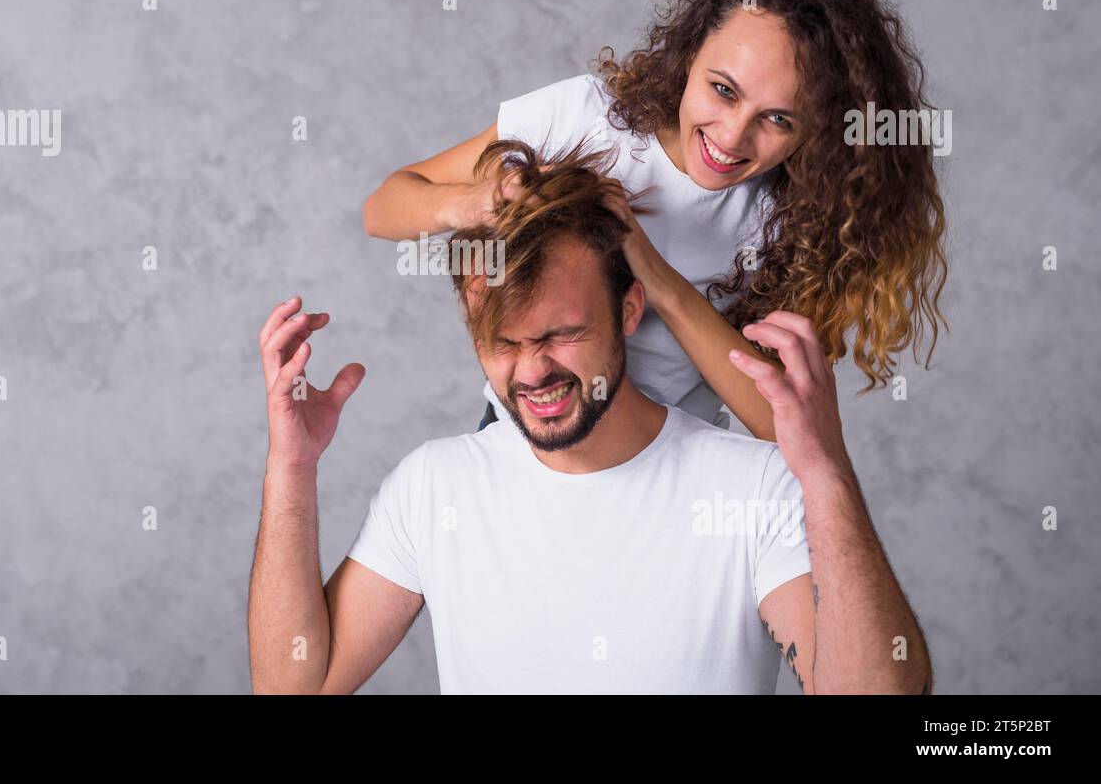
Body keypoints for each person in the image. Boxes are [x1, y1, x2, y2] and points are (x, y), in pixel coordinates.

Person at [248, 142, 932, 694]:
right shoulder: (435, 488)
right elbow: (291, 688)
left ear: (629, 309)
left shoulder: (753, 488)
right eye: (503, 342)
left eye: (560, 334)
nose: (533, 370)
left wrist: (827, 475)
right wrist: (292, 467)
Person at [362, 0, 948, 441]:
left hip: (672, 472)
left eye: (779, 120)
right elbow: (384, 206)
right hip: (519, 443)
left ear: (817, 129)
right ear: (691, 54)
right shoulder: (583, 118)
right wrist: (472, 203)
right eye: (723, 90)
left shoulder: (795, 219)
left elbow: (783, 421)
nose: (732, 135)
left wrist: (653, 272)